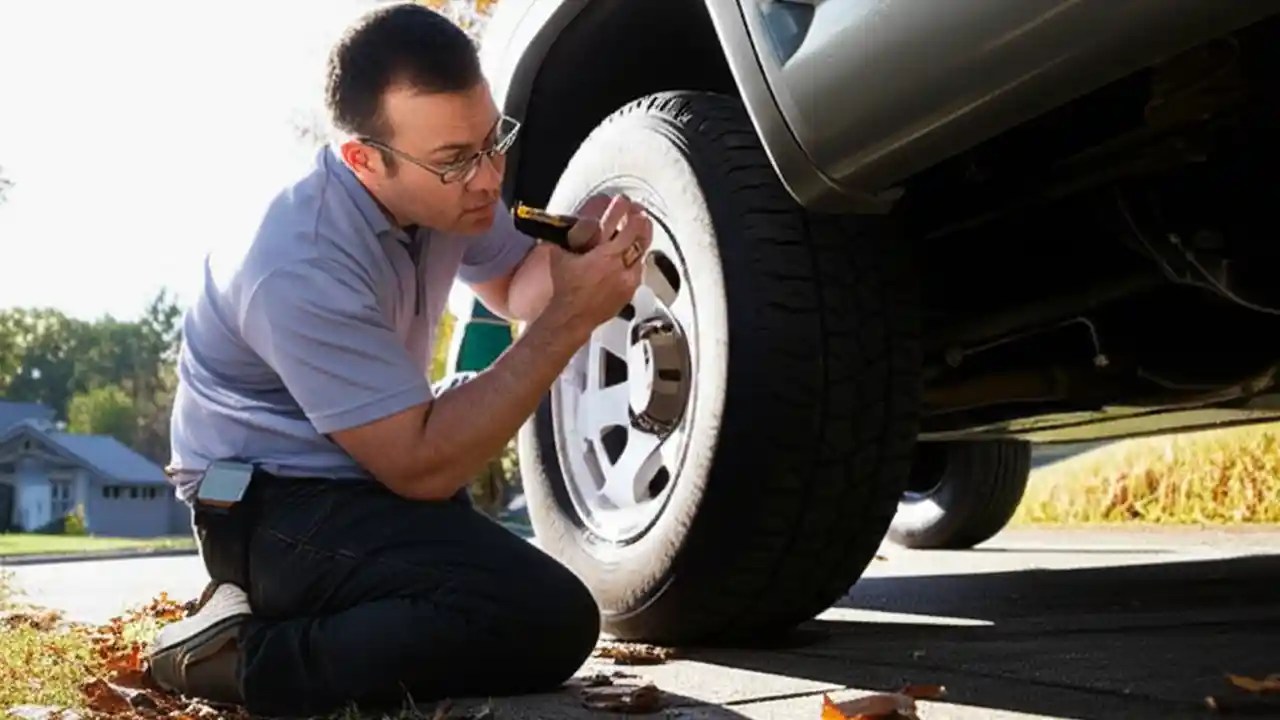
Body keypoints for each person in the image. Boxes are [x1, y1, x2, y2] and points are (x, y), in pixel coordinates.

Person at [144, 3, 653, 716]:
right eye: (455, 160)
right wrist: (571, 316)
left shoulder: (447, 197)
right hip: (263, 508)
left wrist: (586, 252)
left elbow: (513, 285)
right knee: (547, 619)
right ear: (363, 159)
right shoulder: (298, 262)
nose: (487, 178)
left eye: (492, 140)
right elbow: (421, 466)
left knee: (512, 598)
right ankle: (241, 660)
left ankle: (281, 619)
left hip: (357, 477)